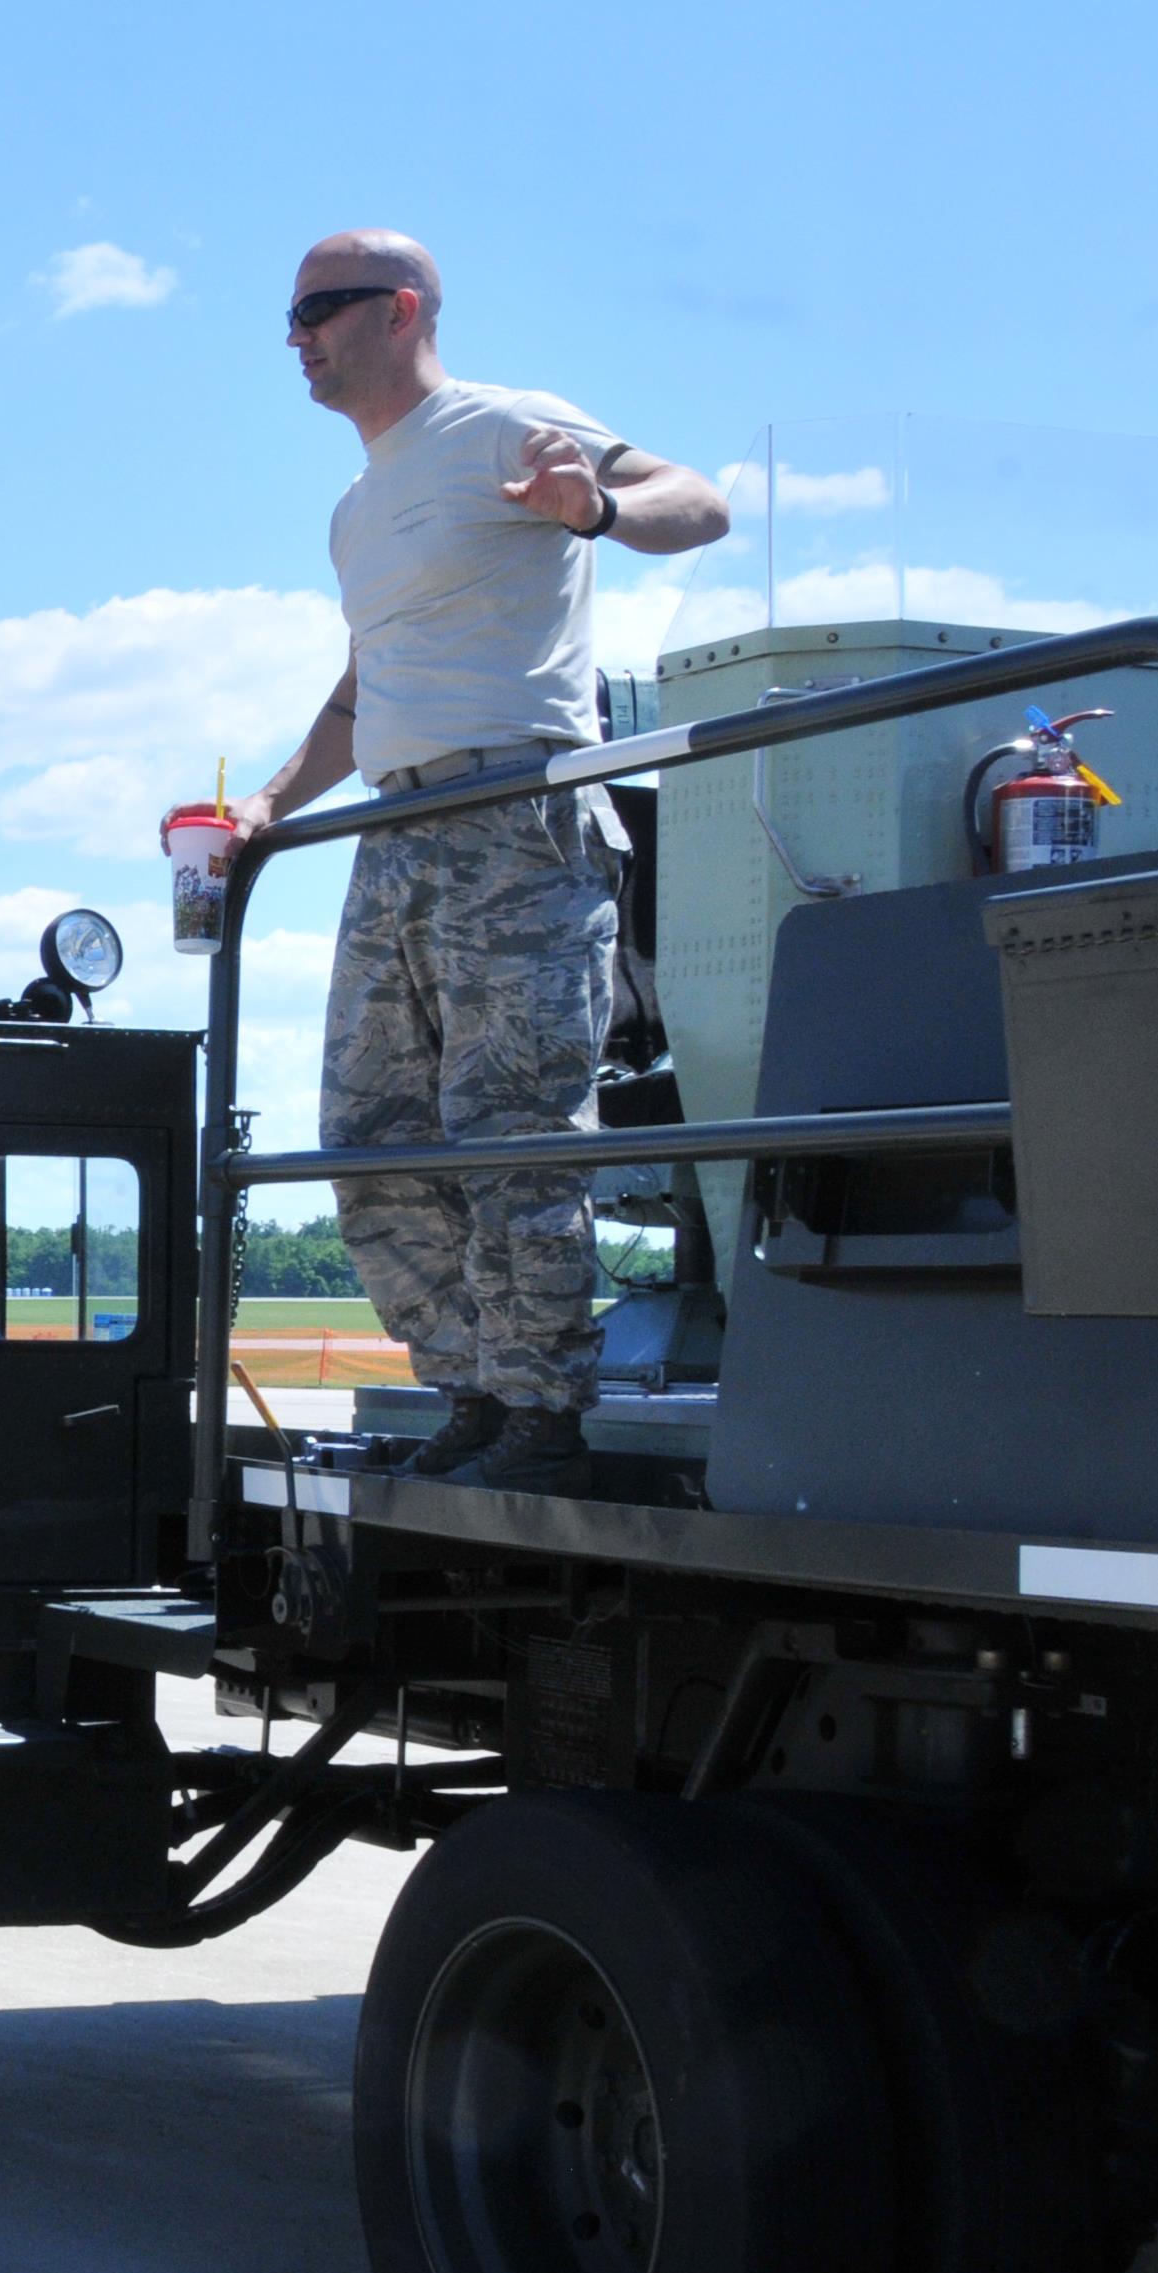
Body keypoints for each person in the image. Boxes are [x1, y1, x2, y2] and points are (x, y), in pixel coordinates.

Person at [226, 228, 728, 1497]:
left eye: (320, 310)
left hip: (516, 817)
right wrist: (274, 802)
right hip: (391, 838)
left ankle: (543, 1413)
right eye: (288, 316)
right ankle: (472, 1390)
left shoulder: (507, 423)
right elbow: (364, 686)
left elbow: (699, 502)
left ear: (400, 311)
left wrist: (596, 510)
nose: (298, 336)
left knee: (510, 1134)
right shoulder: (356, 510)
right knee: (371, 1139)